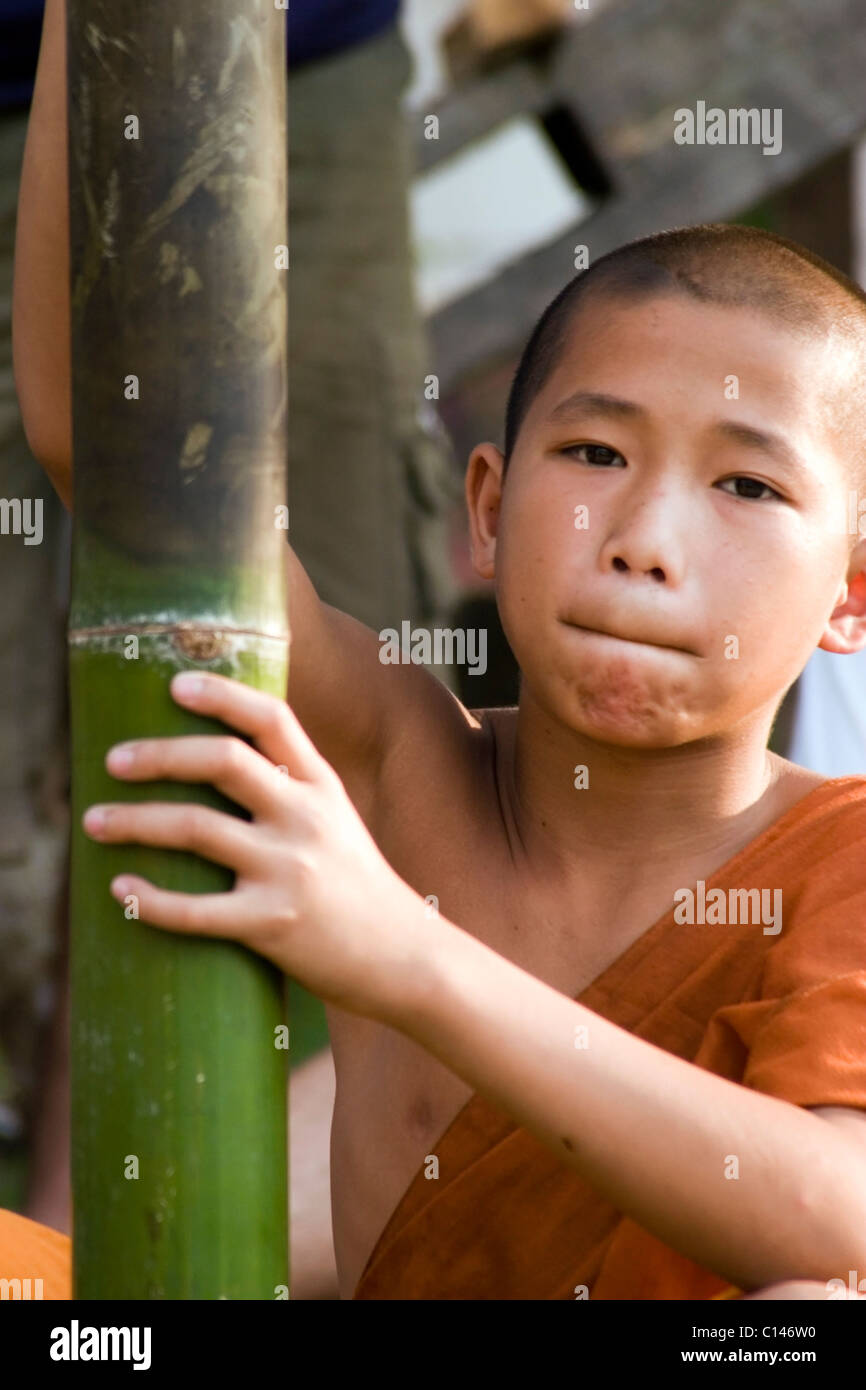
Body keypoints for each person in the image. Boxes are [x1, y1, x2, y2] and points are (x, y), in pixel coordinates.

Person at [14, 221, 866, 1300]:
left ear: (849, 591)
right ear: (489, 510)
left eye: (745, 485)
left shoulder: (845, 859)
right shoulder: (397, 763)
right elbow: (105, 444)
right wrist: (86, 42)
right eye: (595, 454)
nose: (644, 537)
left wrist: (403, 957)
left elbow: (840, 1215)